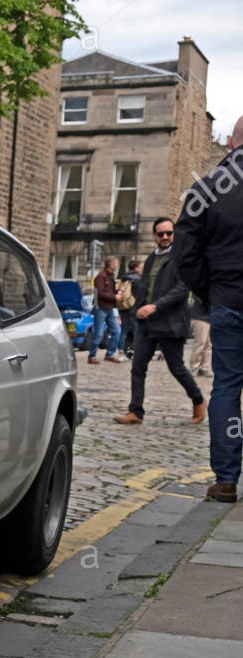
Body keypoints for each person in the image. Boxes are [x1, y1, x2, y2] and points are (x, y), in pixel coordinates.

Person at [175, 114, 243, 503]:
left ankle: (227, 479)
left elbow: (184, 252)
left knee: (228, 387)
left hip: (229, 301)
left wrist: (209, 289)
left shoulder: (208, 188)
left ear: (232, 144)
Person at [113, 218, 206, 426]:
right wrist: (138, 307)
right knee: (138, 366)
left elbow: (182, 288)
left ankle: (199, 400)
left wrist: (156, 306)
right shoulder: (149, 259)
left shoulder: (181, 257)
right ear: (154, 236)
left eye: (169, 233)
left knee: (176, 367)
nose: (165, 237)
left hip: (170, 322)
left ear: (174, 234)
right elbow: (145, 286)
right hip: (147, 322)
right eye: (161, 234)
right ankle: (135, 411)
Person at [88, 256, 124, 363]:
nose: (117, 265)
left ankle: (109, 354)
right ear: (111, 264)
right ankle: (92, 356)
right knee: (98, 333)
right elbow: (99, 292)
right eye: (116, 263)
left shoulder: (110, 276)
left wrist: (118, 291)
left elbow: (109, 291)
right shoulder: (101, 276)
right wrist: (114, 297)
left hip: (109, 308)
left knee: (117, 331)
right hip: (100, 308)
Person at [119, 259, 143, 356]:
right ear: (136, 268)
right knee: (136, 330)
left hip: (123, 307)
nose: (142, 268)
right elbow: (140, 295)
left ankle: (122, 351)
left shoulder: (123, 278)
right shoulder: (138, 279)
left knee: (124, 330)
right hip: (134, 307)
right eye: (141, 266)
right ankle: (135, 351)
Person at [187, 292, 212, 376]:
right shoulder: (200, 285)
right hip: (200, 317)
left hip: (210, 318)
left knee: (209, 345)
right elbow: (200, 300)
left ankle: (204, 367)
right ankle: (194, 366)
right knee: (200, 343)